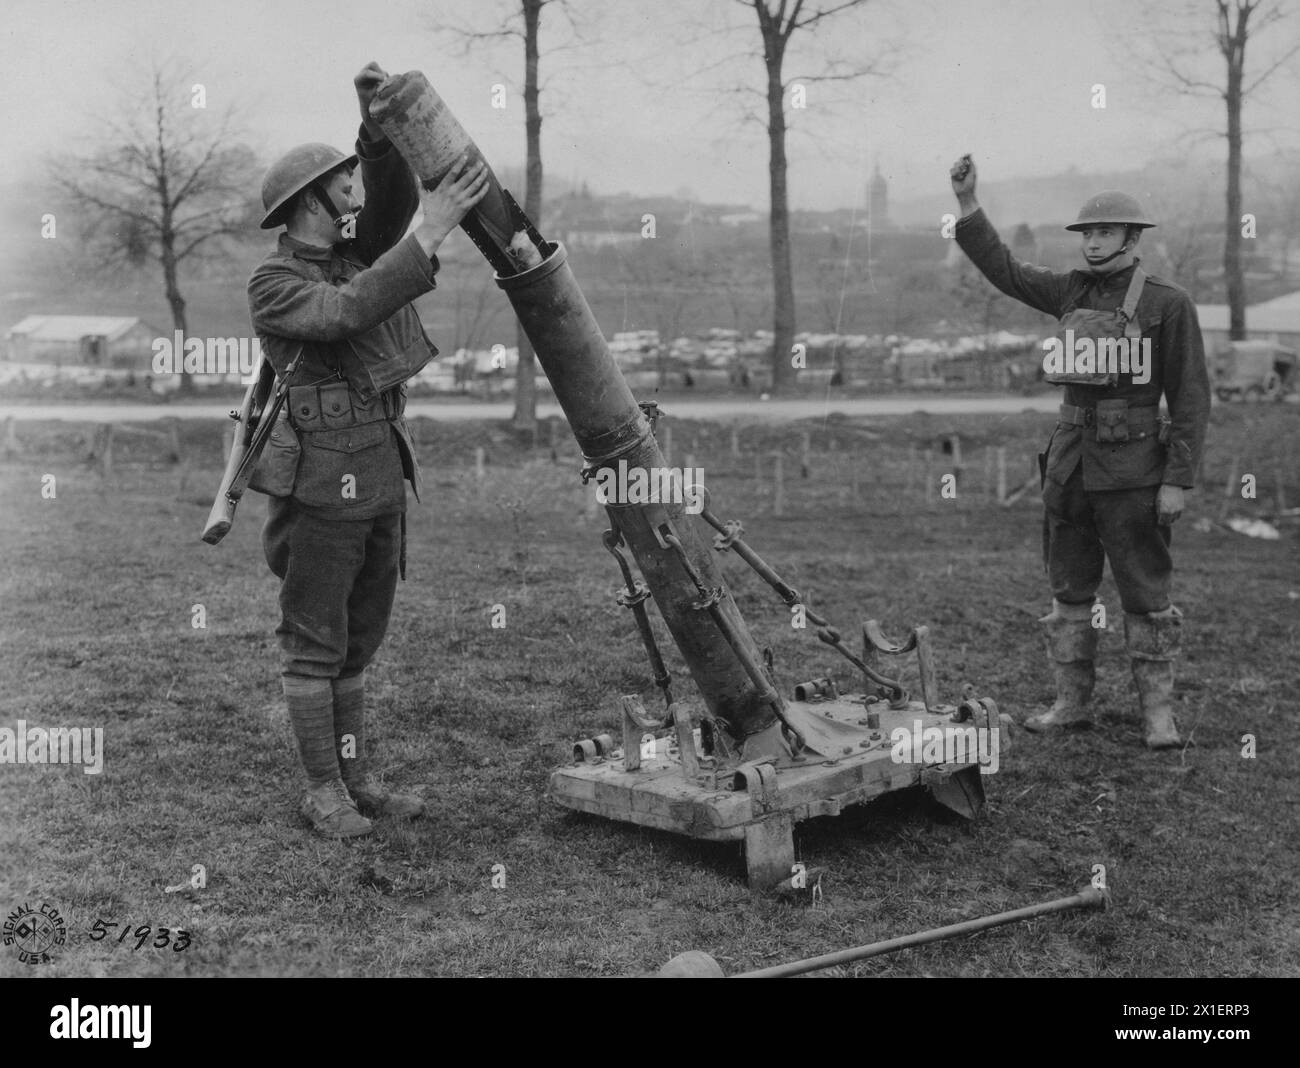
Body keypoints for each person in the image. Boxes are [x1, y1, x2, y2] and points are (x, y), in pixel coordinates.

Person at [249, 62, 488, 836]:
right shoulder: (275, 283)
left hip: (380, 474)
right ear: (309, 204)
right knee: (315, 643)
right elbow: (347, 312)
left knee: (359, 641)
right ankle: (323, 789)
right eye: (341, 181)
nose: (354, 189)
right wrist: (434, 230)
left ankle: (355, 779)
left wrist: (375, 125)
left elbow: (386, 202)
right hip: (319, 485)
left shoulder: (358, 246)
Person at [949, 156, 1210, 750]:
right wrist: (969, 204)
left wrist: (1178, 480)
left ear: (1132, 238)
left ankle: (1158, 716)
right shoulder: (1069, 291)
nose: (1093, 242)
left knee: (1145, 593)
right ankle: (1070, 703)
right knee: (1069, 590)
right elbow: (1006, 270)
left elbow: (1191, 397)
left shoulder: (1169, 304)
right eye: (1088, 233)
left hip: (1137, 472)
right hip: (1070, 468)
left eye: (1105, 232)